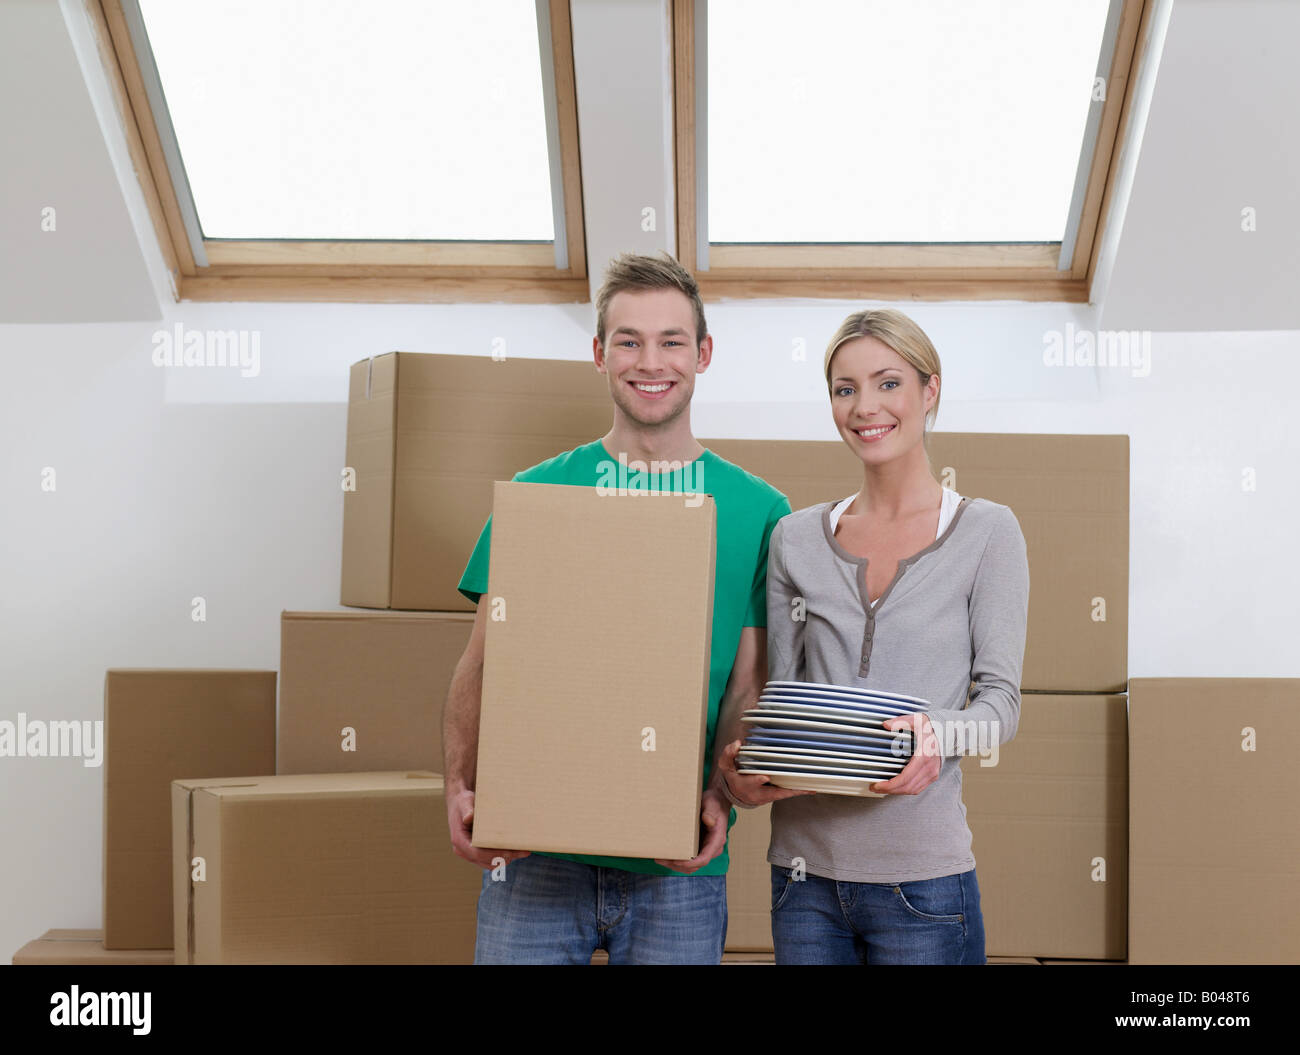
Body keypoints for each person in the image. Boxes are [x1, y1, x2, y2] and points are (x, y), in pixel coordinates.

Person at [442, 251, 798, 964]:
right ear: (601, 354)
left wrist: (719, 791)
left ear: (702, 353)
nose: (650, 360)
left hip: (678, 863)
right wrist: (457, 784)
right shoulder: (539, 494)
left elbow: (746, 683)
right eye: (629, 341)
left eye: (671, 340)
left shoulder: (759, 510)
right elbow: (482, 664)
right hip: (535, 851)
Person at [719, 308, 1030, 965]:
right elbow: (784, 695)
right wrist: (744, 767)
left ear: (930, 390)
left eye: (888, 383)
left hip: (924, 883)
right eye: (845, 388)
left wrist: (932, 734)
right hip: (803, 880)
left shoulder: (988, 533)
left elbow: (998, 709)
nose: (866, 407)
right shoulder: (795, 538)